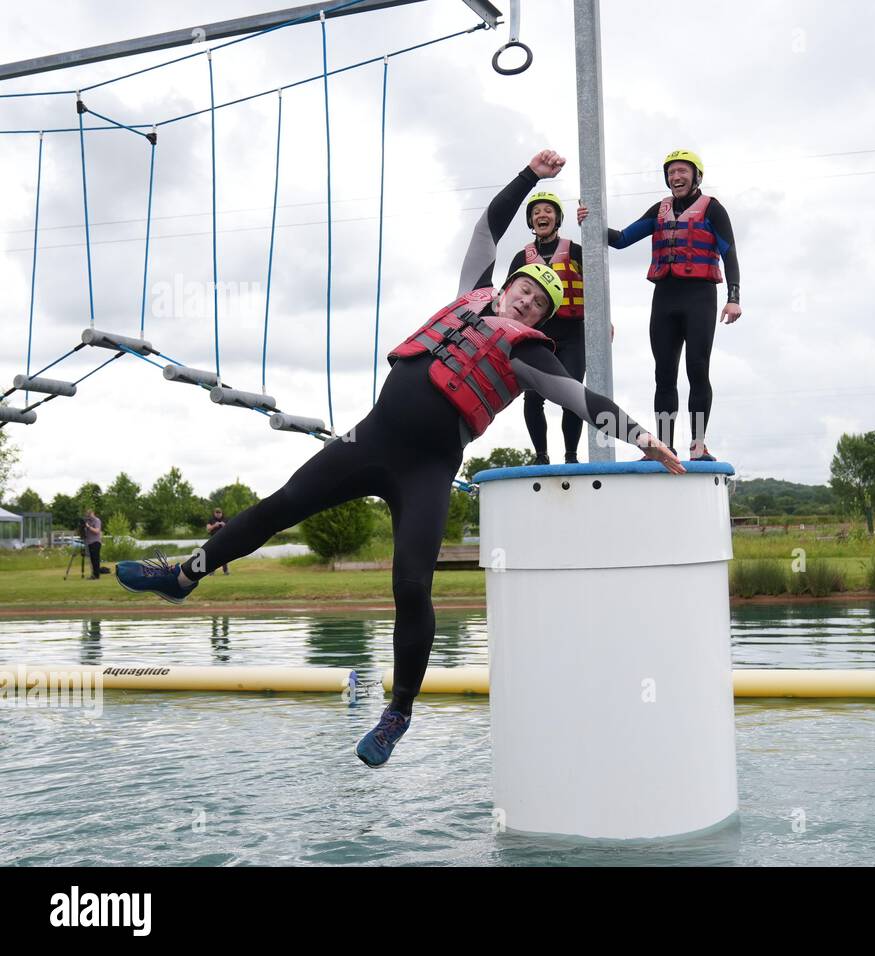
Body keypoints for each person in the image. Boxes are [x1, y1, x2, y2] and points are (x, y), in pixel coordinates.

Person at [114, 150, 682, 768]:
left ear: (541, 319)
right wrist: (528, 176)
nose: (524, 305)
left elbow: (581, 397)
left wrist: (644, 438)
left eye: (537, 306)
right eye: (522, 292)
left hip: (428, 473)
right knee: (279, 507)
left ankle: (398, 712)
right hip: (370, 442)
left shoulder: (527, 353)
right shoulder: (472, 296)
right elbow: (486, 228)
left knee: (411, 585)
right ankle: (184, 575)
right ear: (506, 287)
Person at [577, 149, 741, 461]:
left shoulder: (713, 210)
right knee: (663, 375)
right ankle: (663, 445)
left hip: (700, 298)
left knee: (697, 370)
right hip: (665, 298)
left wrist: (734, 298)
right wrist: (591, 220)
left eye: (682, 171)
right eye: (671, 172)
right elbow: (622, 239)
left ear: (696, 176)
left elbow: (730, 253)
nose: (676, 177)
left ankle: (698, 444)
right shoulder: (660, 209)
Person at [507, 191, 588, 464]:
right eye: (537, 212)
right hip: (536, 335)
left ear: (558, 218)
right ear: (531, 220)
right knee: (532, 398)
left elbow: (597, 287)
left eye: (548, 211)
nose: (542, 215)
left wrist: (604, 321)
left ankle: (571, 457)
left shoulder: (576, 251)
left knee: (573, 396)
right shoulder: (521, 258)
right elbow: (508, 297)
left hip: (573, 333)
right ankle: (541, 457)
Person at [206, 508, 230, 575]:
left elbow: (231, 528)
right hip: (214, 540)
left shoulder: (226, 519)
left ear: (221, 513)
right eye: (216, 513)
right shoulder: (211, 520)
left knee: (224, 556)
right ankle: (211, 571)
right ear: (214, 513)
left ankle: (225, 571)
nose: (218, 514)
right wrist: (214, 525)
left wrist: (224, 525)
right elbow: (208, 529)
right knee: (213, 555)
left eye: (219, 513)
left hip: (224, 539)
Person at [82, 508, 103, 579]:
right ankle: (93, 574)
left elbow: (97, 531)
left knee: (95, 559)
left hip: (96, 542)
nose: (88, 516)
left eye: (90, 514)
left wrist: (88, 527)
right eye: (87, 514)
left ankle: (96, 575)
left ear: (93, 513)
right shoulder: (87, 521)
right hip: (89, 542)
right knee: (92, 560)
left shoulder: (97, 521)